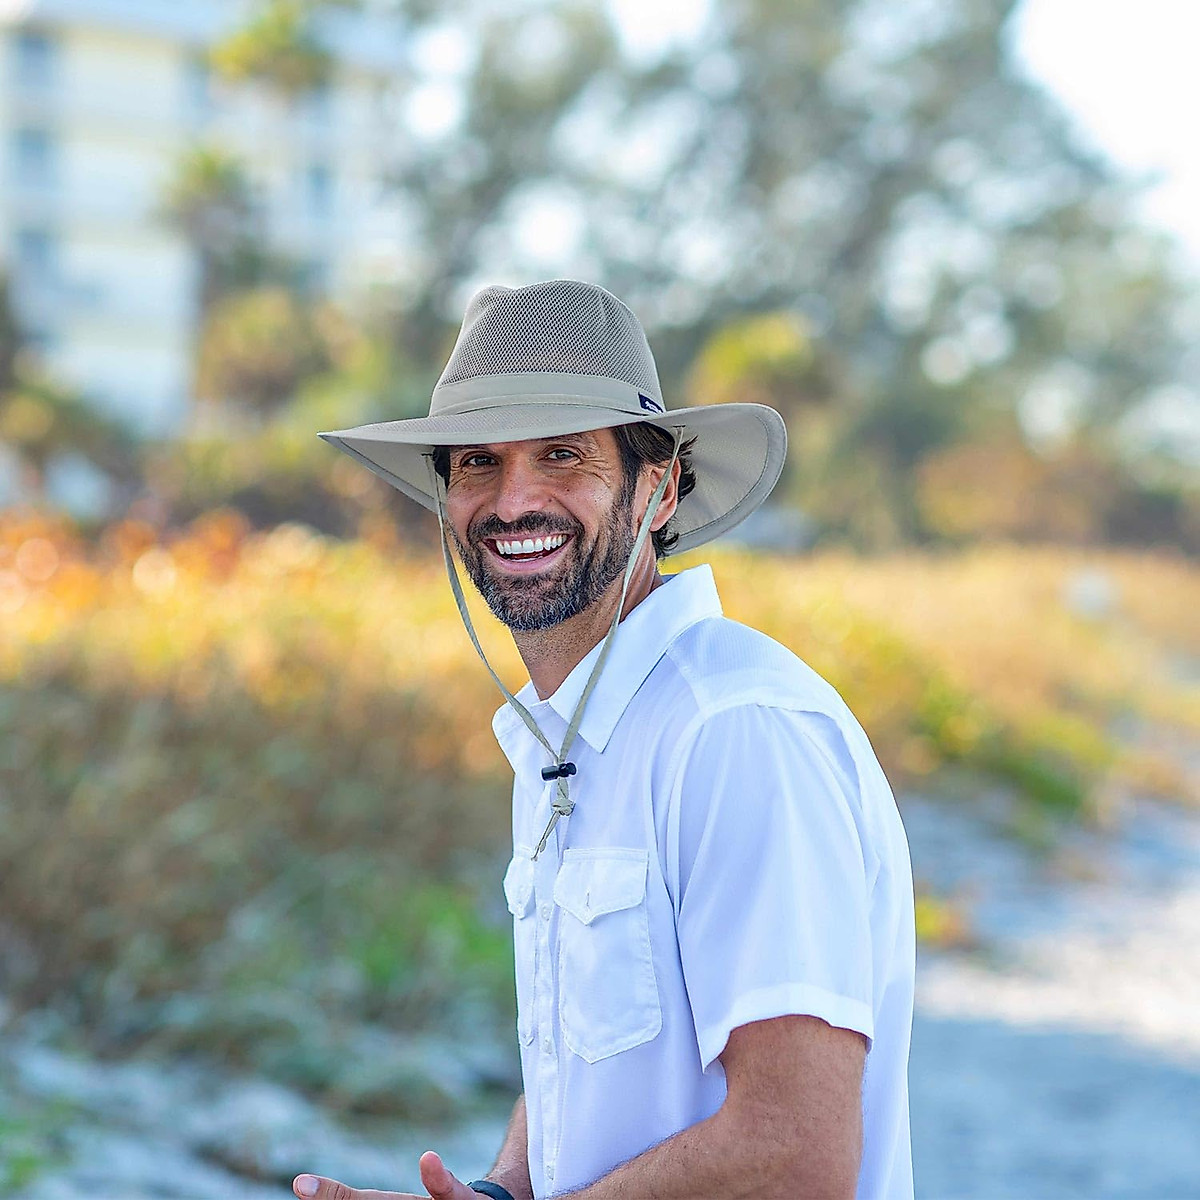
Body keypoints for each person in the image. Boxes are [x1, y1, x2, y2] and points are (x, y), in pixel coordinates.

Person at [295, 279, 915, 1200]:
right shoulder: (565, 739)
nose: (514, 502)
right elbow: (599, 1058)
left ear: (656, 487)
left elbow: (797, 1152)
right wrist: (502, 1192)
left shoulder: (736, 732)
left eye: (562, 456)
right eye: (477, 462)